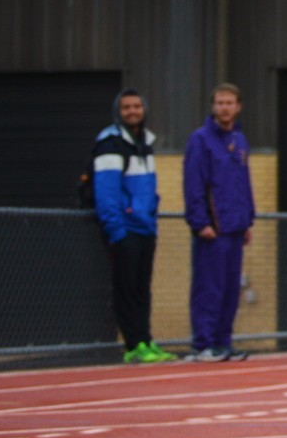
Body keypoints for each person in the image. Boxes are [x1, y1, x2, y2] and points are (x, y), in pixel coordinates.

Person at [92, 89, 177, 364]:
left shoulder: (145, 143)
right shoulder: (110, 144)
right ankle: (133, 345)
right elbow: (106, 193)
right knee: (126, 289)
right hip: (124, 230)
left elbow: (149, 187)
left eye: (136, 106)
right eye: (126, 107)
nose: (132, 111)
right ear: (119, 111)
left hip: (145, 228)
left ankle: (145, 340)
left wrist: (151, 212)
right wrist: (116, 230)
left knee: (142, 289)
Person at [183, 83, 255, 361]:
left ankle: (224, 342)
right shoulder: (200, 140)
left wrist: (247, 219)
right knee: (208, 287)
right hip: (213, 229)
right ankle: (203, 343)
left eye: (230, 103)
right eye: (220, 103)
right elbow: (194, 185)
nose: (225, 108)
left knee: (230, 289)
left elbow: (243, 183)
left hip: (235, 227)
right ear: (213, 107)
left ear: (238, 107)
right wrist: (201, 222)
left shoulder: (240, 141)